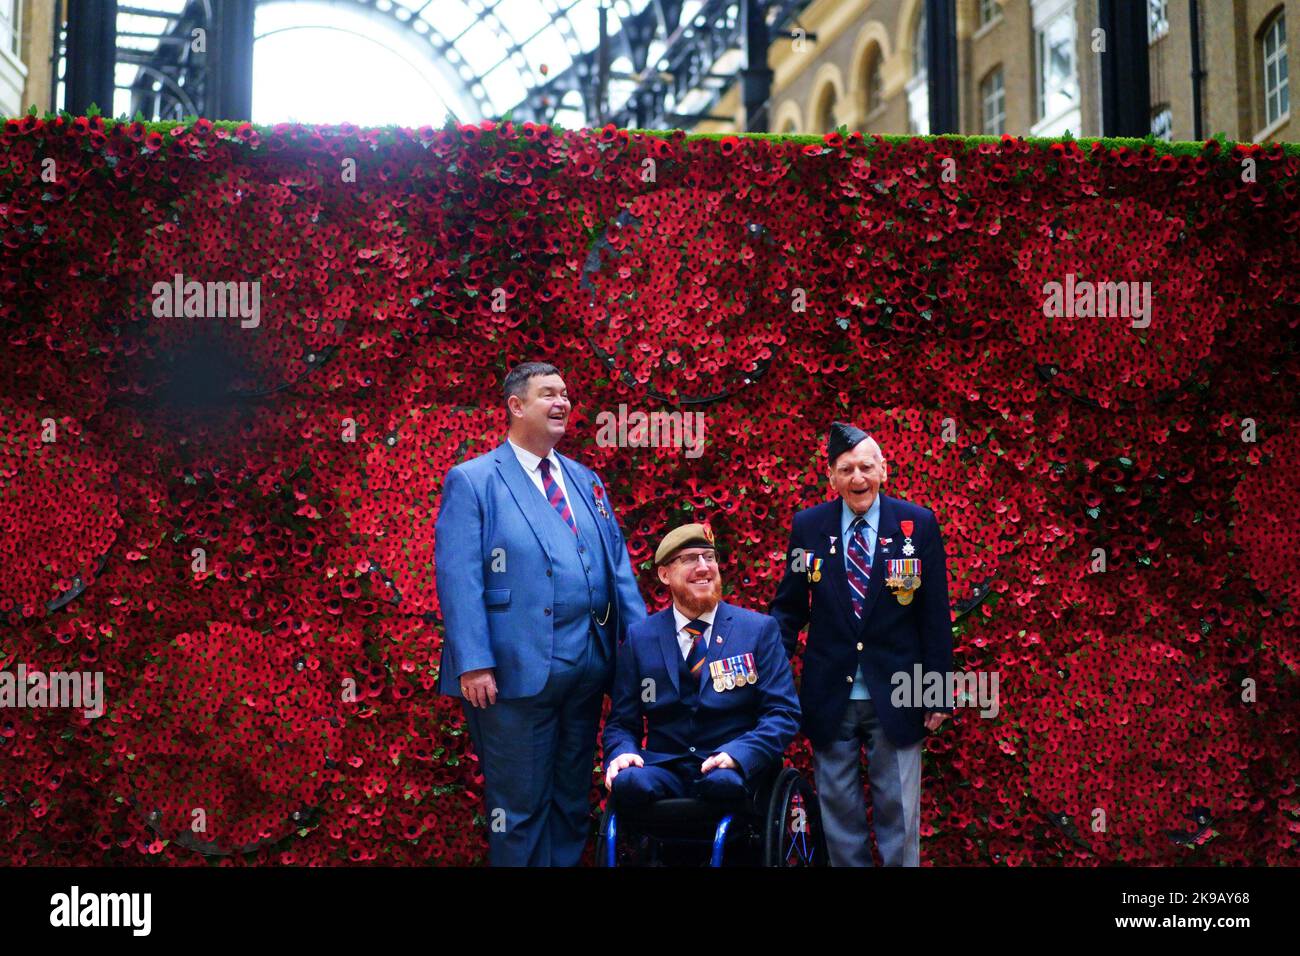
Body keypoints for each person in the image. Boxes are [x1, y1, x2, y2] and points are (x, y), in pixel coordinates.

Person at [434, 361, 647, 866]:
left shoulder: (585, 479)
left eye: (566, 394)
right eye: (548, 393)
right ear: (516, 406)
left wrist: (642, 654)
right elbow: (458, 577)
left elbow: (617, 568)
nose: (563, 402)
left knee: (572, 806)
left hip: (587, 672)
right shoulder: (474, 480)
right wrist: (474, 662)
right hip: (510, 675)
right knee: (519, 811)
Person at [769, 422, 953, 866]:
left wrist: (939, 693)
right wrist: (770, 675)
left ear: (884, 470)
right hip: (830, 693)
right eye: (846, 469)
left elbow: (934, 614)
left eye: (866, 467)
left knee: (900, 815)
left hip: (900, 694)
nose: (857, 478)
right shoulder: (808, 527)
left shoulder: (918, 524)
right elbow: (790, 608)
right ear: (830, 476)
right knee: (839, 819)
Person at [603, 523, 799, 806]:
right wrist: (621, 751)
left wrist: (739, 754)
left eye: (709, 557)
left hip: (730, 766)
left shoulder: (757, 631)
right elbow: (622, 722)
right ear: (664, 574)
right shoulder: (640, 638)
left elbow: (783, 712)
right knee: (629, 783)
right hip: (664, 768)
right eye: (690, 558)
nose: (704, 567)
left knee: (722, 785)